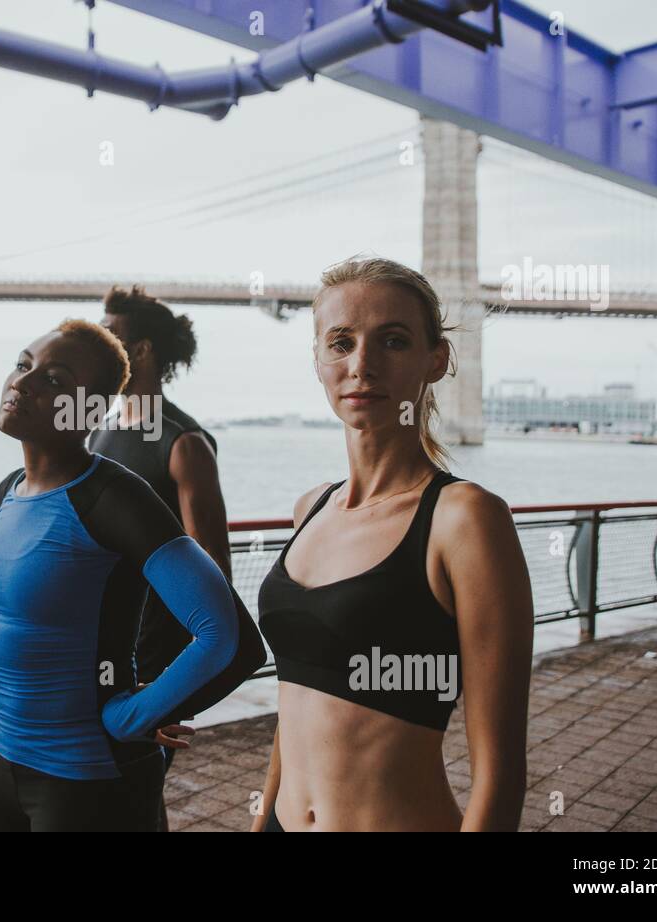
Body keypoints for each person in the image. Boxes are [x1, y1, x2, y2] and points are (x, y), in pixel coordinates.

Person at [253, 257, 533, 832]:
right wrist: (261, 820)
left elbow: (499, 772)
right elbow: (298, 695)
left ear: (437, 359)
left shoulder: (465, 519)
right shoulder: (311, 509)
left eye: (393, 341)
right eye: (340, 342)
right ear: (319, 361)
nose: (361, 365)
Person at [0, 320, 265, 832]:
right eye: (22, 364)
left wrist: (139, 714)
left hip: (87, 779)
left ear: (91, 410)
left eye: (53, 379)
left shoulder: (116, 499)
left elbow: (228, 636)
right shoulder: (6, 493)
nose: (22, 383)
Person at [90, 285, 230, 831]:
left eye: (112, 336)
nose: (99, 346)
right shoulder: (99, 430)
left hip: (150, 669)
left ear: (142, 351)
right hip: (95, 658)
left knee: (133, 800)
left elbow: (213, 576)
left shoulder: (184, 443)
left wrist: (174, 688)